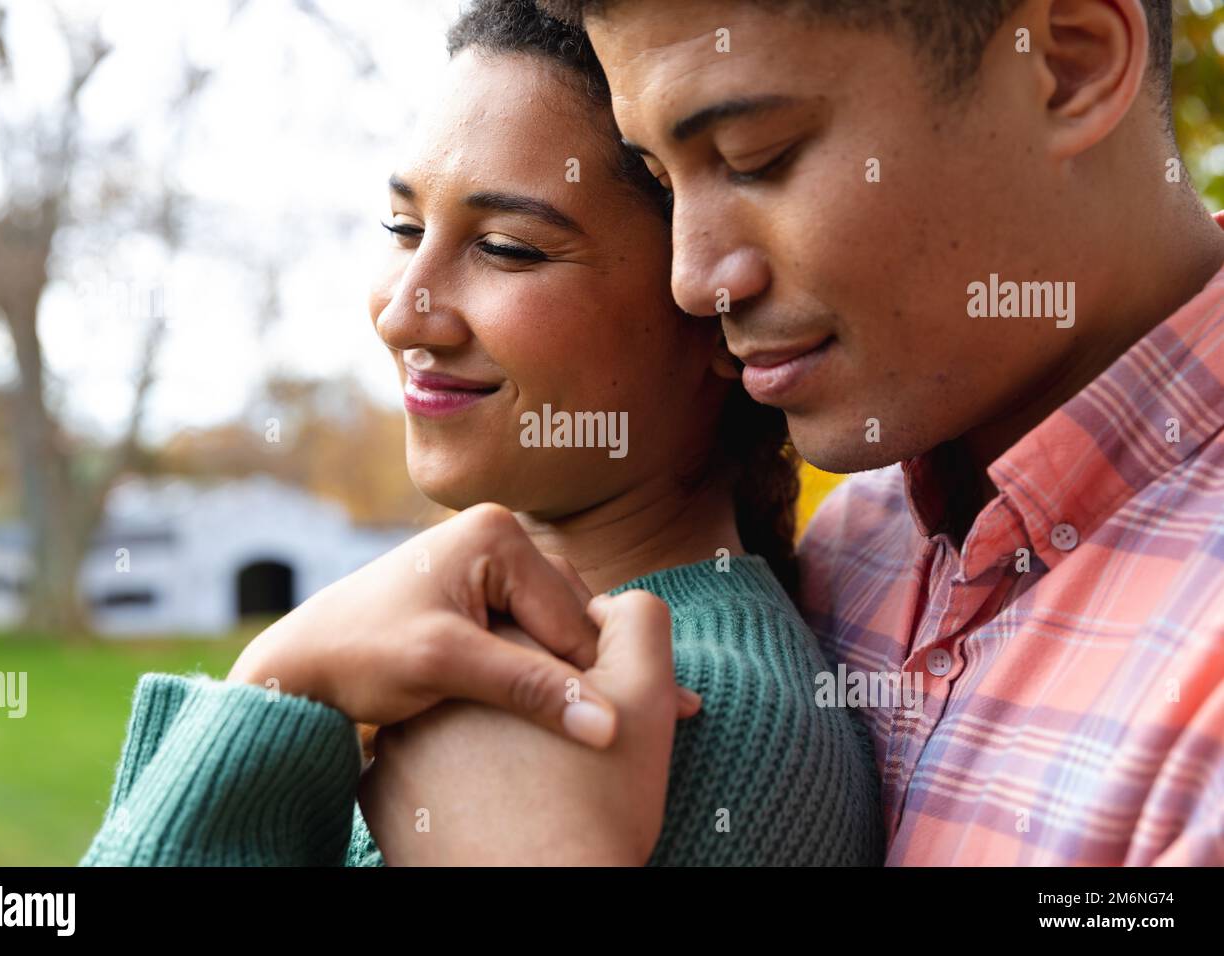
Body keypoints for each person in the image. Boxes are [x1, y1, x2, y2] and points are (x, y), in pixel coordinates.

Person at [364, 0, 1222, 865]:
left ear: (1069, 62)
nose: (693, 283)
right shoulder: (854, 543)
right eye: (661, 183)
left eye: (755, 159)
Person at [79, 0, 883, 867]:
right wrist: (282, 676)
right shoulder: (472, 641)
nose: (401, 314)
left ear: (711, 310)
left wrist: (276, 688)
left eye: (507, 248)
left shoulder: (674, 714)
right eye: (404, 229)